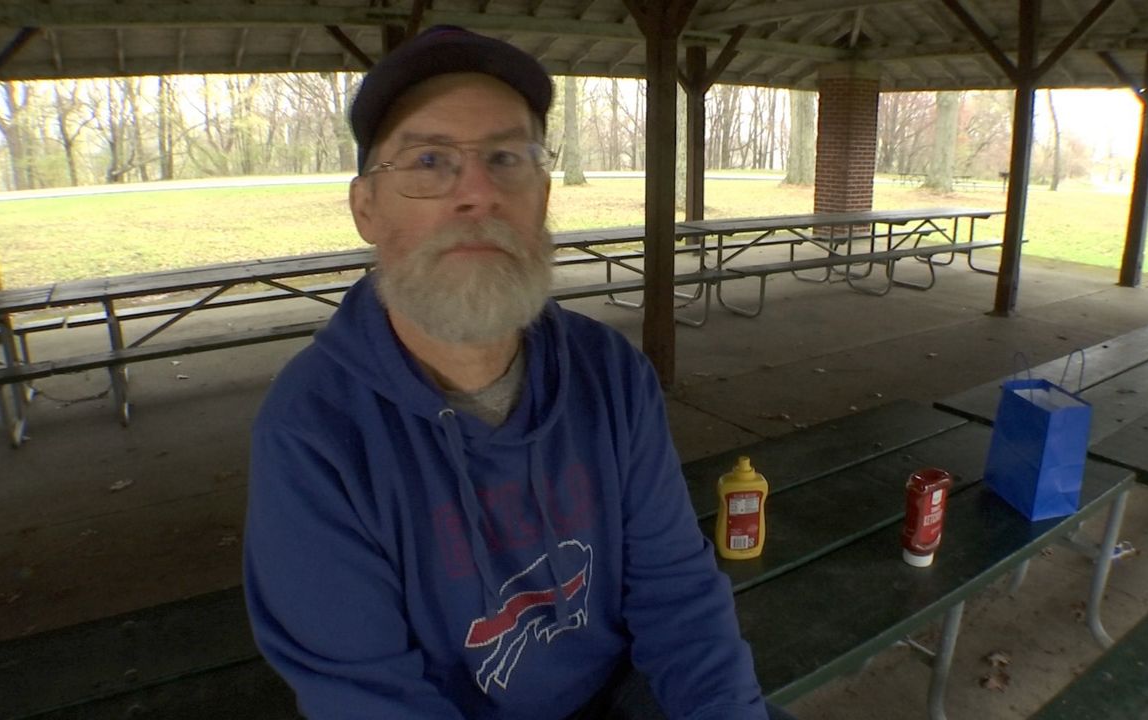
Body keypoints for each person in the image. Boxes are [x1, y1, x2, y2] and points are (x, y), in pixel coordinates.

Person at [244, 25, 792, 720]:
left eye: (507, 157)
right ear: (366, 210)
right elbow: (374, 701)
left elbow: (677, 596)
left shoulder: (610, 373)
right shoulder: (312, 433)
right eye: (429, 161)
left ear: (542, 199)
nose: (478, 192)